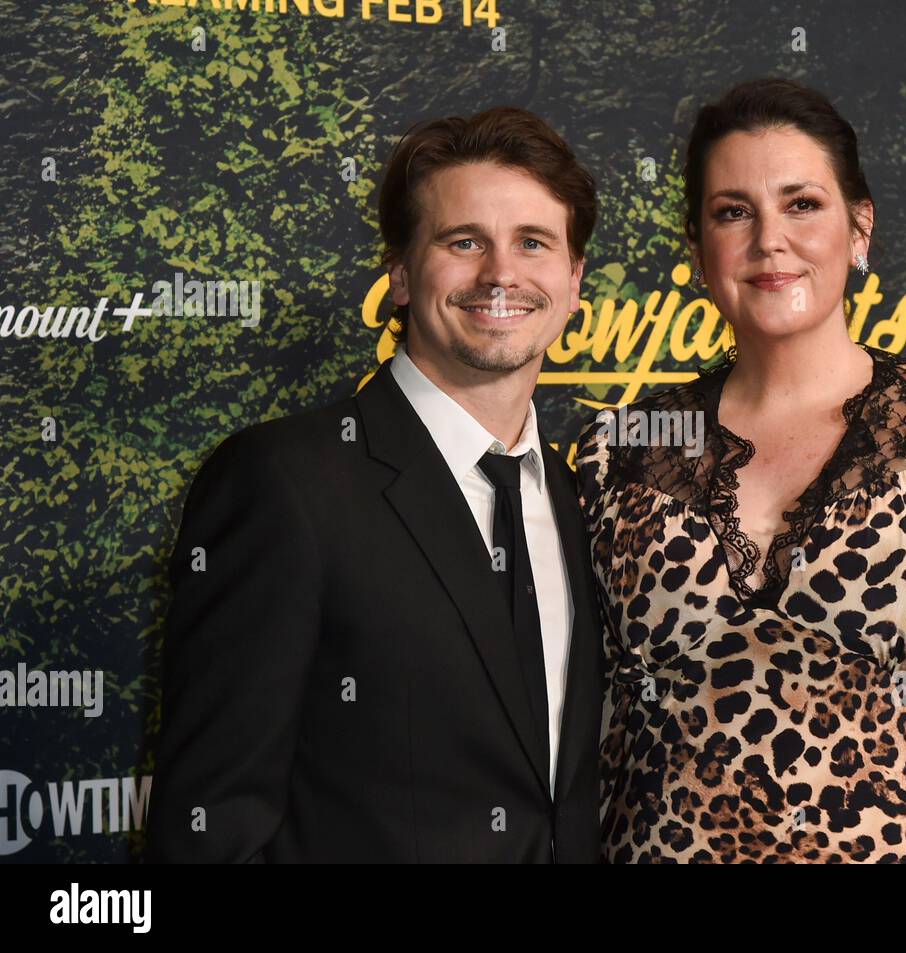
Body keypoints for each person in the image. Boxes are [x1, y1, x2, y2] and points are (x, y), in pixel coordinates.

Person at [575, 78, 906, 862]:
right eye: (732, 212)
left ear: (860, 229)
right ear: (695, 247)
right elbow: (590, 754)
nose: (768, 241)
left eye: (802, 204)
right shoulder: (617, 451)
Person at [147, 106, 604, 863]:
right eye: (464, 242)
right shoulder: (285, 484)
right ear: (399, 272)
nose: (501, 274)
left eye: (533, 243)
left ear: (574, 278)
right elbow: (209, 830)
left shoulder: (568, 493)